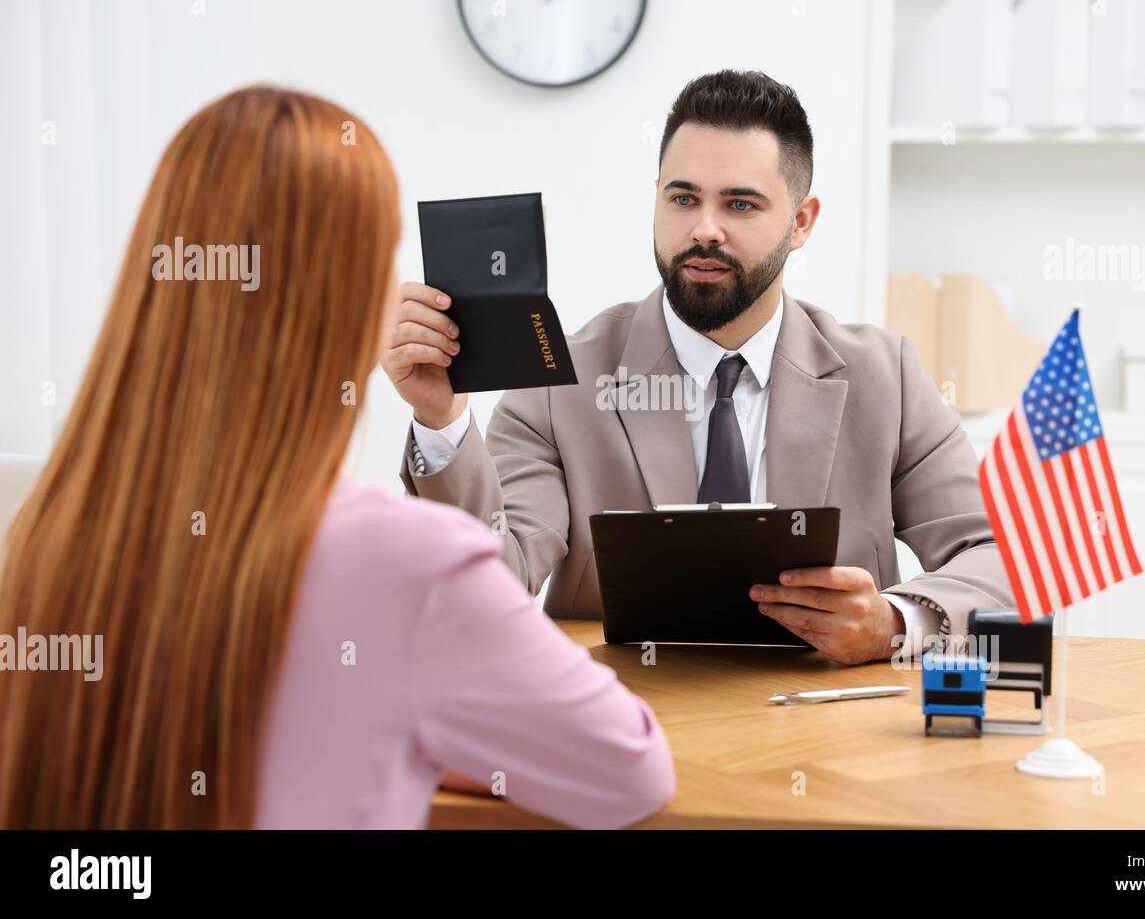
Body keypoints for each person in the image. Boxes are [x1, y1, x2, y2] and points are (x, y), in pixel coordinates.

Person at [0, 86, 674, 829]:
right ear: (346, 295)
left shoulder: (47, 527)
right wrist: (433, 729)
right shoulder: (407, 560)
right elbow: (630, 771)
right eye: (384, 258)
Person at [386, 69, 1015, 666]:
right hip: (624, 720)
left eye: (740, 205)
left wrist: (895, 622)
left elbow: (997, 558)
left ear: (801, 222)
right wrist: (440, 417)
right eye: (683, 198)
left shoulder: (888, 377)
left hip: (825, 726)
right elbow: (492, 583)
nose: (704, 229)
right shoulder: (560, 380)